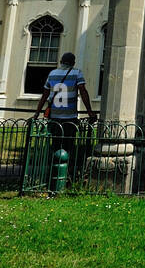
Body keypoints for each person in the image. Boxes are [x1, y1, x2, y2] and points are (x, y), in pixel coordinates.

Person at [32, 52, 97, 190]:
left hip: (54, 118)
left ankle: (52, 177)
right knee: (68, 148)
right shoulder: (76, 73)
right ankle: (67, 177)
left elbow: (44, 95)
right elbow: (83, 92)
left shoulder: (52, 74)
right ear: (73, 63)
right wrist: (90, 111)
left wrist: (37, 113)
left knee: (55, 147)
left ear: (61, 61)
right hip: (69, 118)